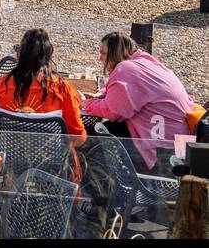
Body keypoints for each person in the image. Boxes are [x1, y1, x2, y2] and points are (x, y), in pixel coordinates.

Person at [82, 32, 194, 170]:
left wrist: (86, 103)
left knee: (90, 139)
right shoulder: (145, 61)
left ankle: (97, 186)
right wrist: (100, 95)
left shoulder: (126, 68)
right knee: (105, 130)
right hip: (181, 139)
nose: (100, 58)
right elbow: (127, 91)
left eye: (103, 53)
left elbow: (115, 111)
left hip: (162, 147)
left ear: (116, 53)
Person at [0, 28, 86, 149]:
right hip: (53, 165)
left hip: (9, 164)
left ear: (19, 54)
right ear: (48, 55)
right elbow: (79, 137)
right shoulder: (63, 88)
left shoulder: (1, 85)